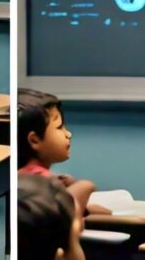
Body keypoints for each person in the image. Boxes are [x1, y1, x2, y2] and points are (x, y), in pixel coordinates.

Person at [17, 88, 101, 216]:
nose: (68, 134)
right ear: (34, 140)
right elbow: (66, 219)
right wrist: (84, 187)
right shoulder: (34, 183)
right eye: (59, 127)